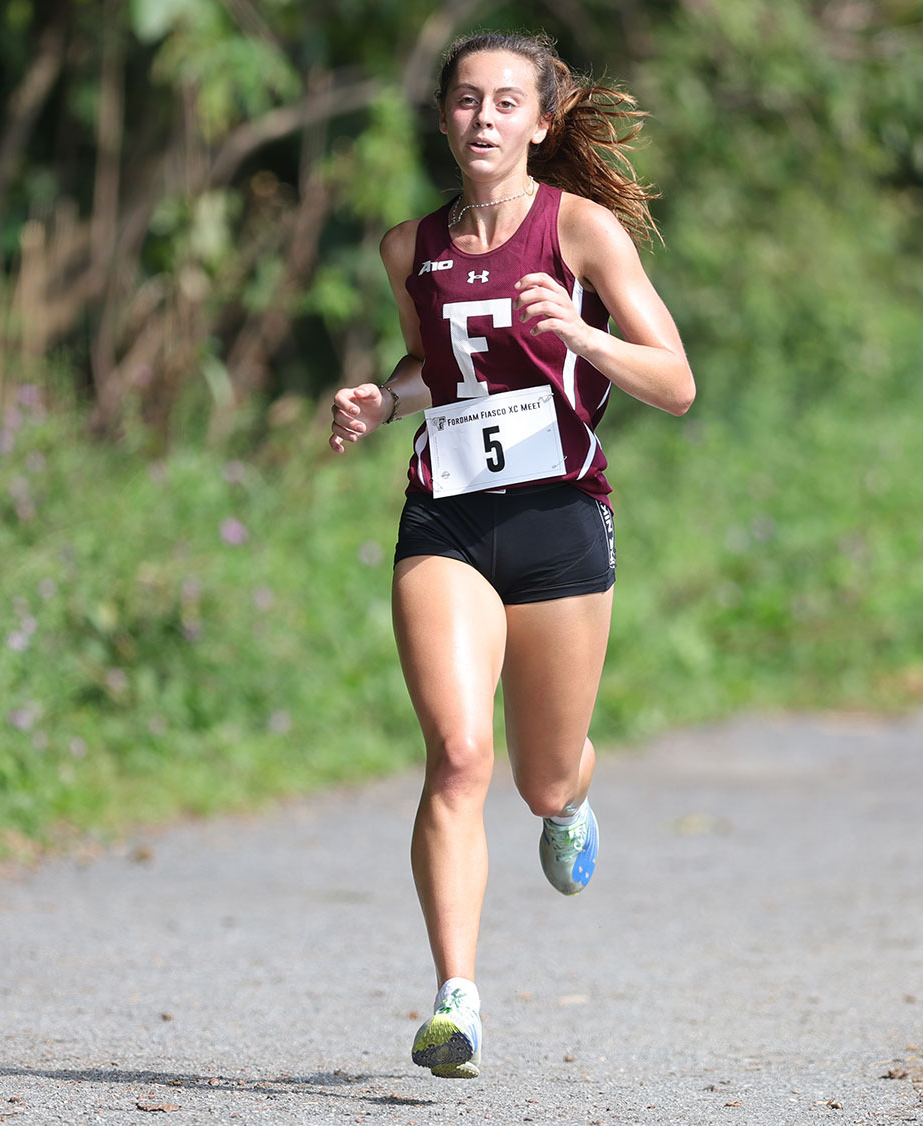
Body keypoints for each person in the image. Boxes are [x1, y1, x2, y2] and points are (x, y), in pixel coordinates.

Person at [327, 30, 694, 1080]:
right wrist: (382, 397)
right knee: (455, 755)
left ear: (538, 122)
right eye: (462, 100)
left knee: (535, 779)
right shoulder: (409, 248)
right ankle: (456, 999)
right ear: (443, 118)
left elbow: (673, 381)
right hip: (444, 516)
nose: (481, 118)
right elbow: (435, 368)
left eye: (502, 103)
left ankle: (574, 792)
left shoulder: (579, 230)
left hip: (558, 520)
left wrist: (578, 336)